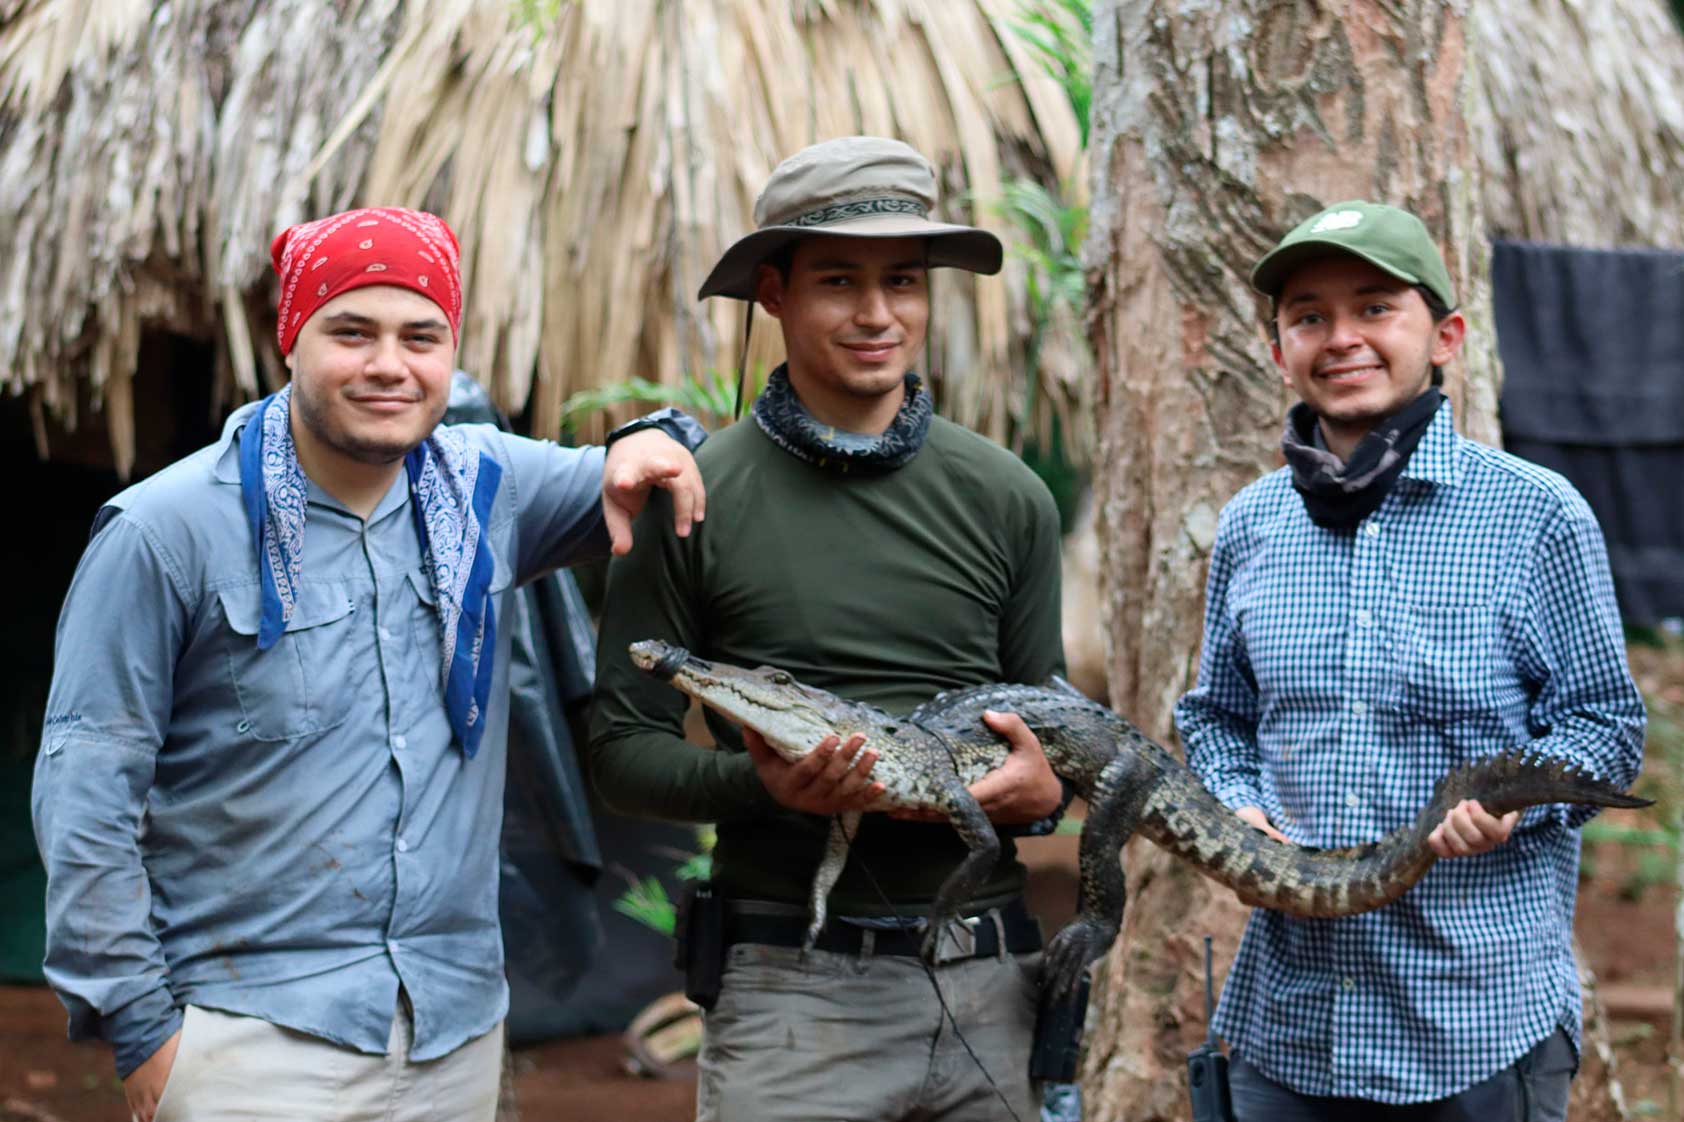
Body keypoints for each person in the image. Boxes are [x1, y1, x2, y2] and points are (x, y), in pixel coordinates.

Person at [31, 206, 707, 1122]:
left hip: (453, 1029)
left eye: (421, 336)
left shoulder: (487, 486)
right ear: (291, 343)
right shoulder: (166, 530)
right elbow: (86, 788)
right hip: (251, 1036)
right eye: (351, 332)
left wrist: (652, 436)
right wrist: (144, 1031)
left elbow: (639, 472)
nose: (390, 365)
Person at [588, 136, 1068, 1122]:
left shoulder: (1007, 497)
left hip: (990, 987)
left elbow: (1046, 721)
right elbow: (617, 749)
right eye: (839, 280)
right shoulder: (690, 495)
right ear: (774, 290)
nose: (876, 314)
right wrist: (760, 786)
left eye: (902, 280)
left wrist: (1047, 791)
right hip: (790, 998)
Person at [1175, 200, 1647, 1120]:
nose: (1341, 337)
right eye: (1309, 316)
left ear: (1446, 335)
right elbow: (1215, 716)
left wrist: (1515, 811)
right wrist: (1237, 809)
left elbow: (1608, 729)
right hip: (1290, 1026)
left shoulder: (1536, 515)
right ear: (1279, 351)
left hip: (1473, 1024)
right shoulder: (1251, 525)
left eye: (1375, 307)